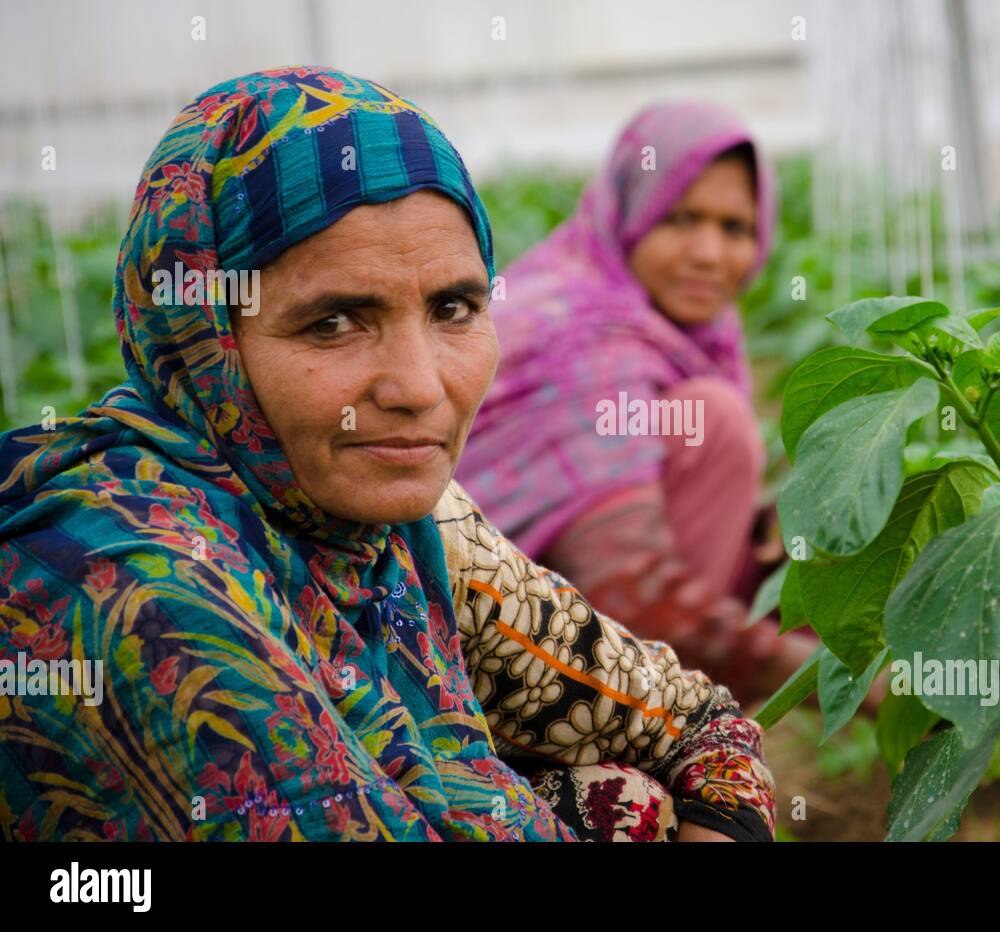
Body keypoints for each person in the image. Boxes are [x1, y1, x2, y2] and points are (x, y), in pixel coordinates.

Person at [0, 67, 775, 843]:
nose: (418, 387)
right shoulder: (142, 593)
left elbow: (700, 720)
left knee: (623, 801)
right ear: (205, 338)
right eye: (334, 322)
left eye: (453, 308)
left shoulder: (395, 521)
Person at [457, 101, 818, 707]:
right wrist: (846, 684)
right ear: (628, 213)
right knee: (713, 422)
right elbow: (633, 591)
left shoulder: (683, 331)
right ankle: (657, 733)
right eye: (680, 219)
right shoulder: (584, 339)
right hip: (497, 673)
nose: (709, 253)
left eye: (736, 229)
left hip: (554, 637)